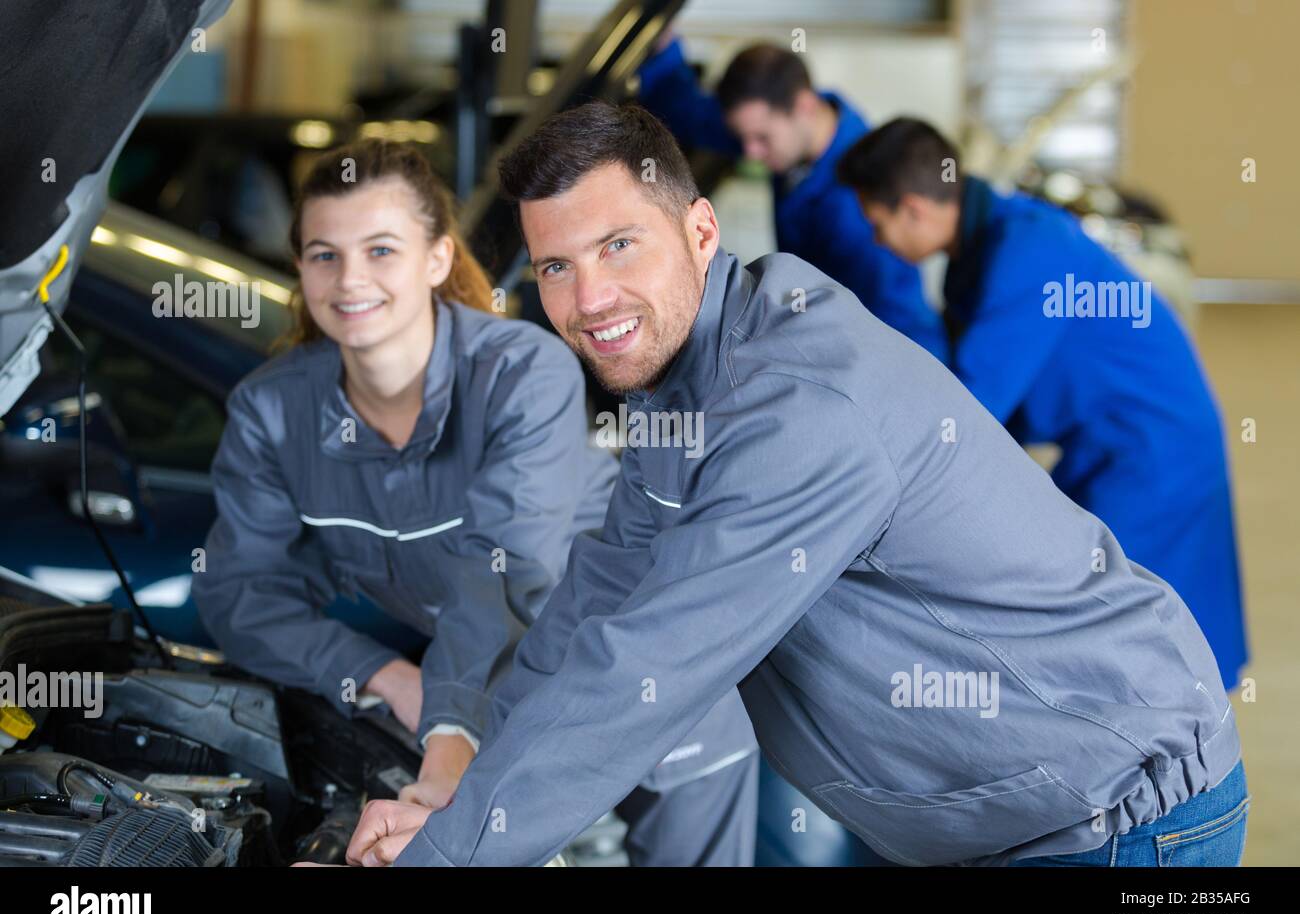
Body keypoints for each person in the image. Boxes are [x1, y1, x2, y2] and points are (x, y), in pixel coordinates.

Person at [344, 104, 1247, 869]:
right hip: (1002, 811)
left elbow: (648, 665)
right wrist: (460, 790)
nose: (590, 299)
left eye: (619, 246)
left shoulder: (795, 408)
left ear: (702, 232)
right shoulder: (687, 377)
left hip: (1121, 814)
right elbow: (597, 607)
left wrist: (446, 856)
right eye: (555, 268)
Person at [192, 138, 759, 866]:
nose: (350, 278)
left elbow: (495, 572)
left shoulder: (521, 374)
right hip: (498, 715)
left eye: (382, 250)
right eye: (324, 254)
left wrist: (450, 733)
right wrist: (389, 676)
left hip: (661, 706)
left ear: (435, 258)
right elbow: (241, 592)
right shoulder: (273, 410)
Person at [836, 118, 1248, 692]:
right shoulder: (984, 247)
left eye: (876, 225)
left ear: (913, 209)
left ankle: (1182, 766)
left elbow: (971, 408)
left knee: (1130, 632)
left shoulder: (1026, 251)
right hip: (1107, 440)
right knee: (1101, 617)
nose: (877, 243)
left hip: (1153, 449)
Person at [636, 30, 945, 358]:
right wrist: (663, 48)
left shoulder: (860, 207)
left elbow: (887, 328)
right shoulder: (782, 130)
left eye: (762, 139)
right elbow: (692, 115)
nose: (750, 153)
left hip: (889, 355)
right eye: (744, 139)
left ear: (804, 107)